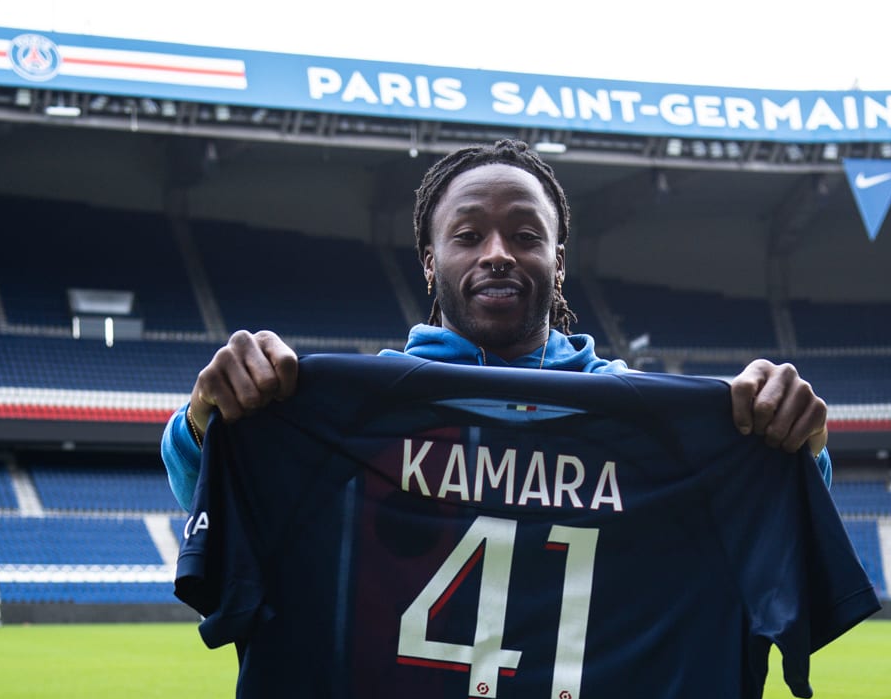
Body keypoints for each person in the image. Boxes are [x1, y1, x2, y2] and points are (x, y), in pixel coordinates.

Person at [162, 139, 830, 509]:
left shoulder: (648, 416)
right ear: (431, 264)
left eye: (524, 234)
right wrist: (206, 420)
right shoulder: (356, 409)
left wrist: (791, 442)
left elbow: (775, 514)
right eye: (469, 234)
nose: (498, 254)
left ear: (558, 262)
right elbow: (219, 500)